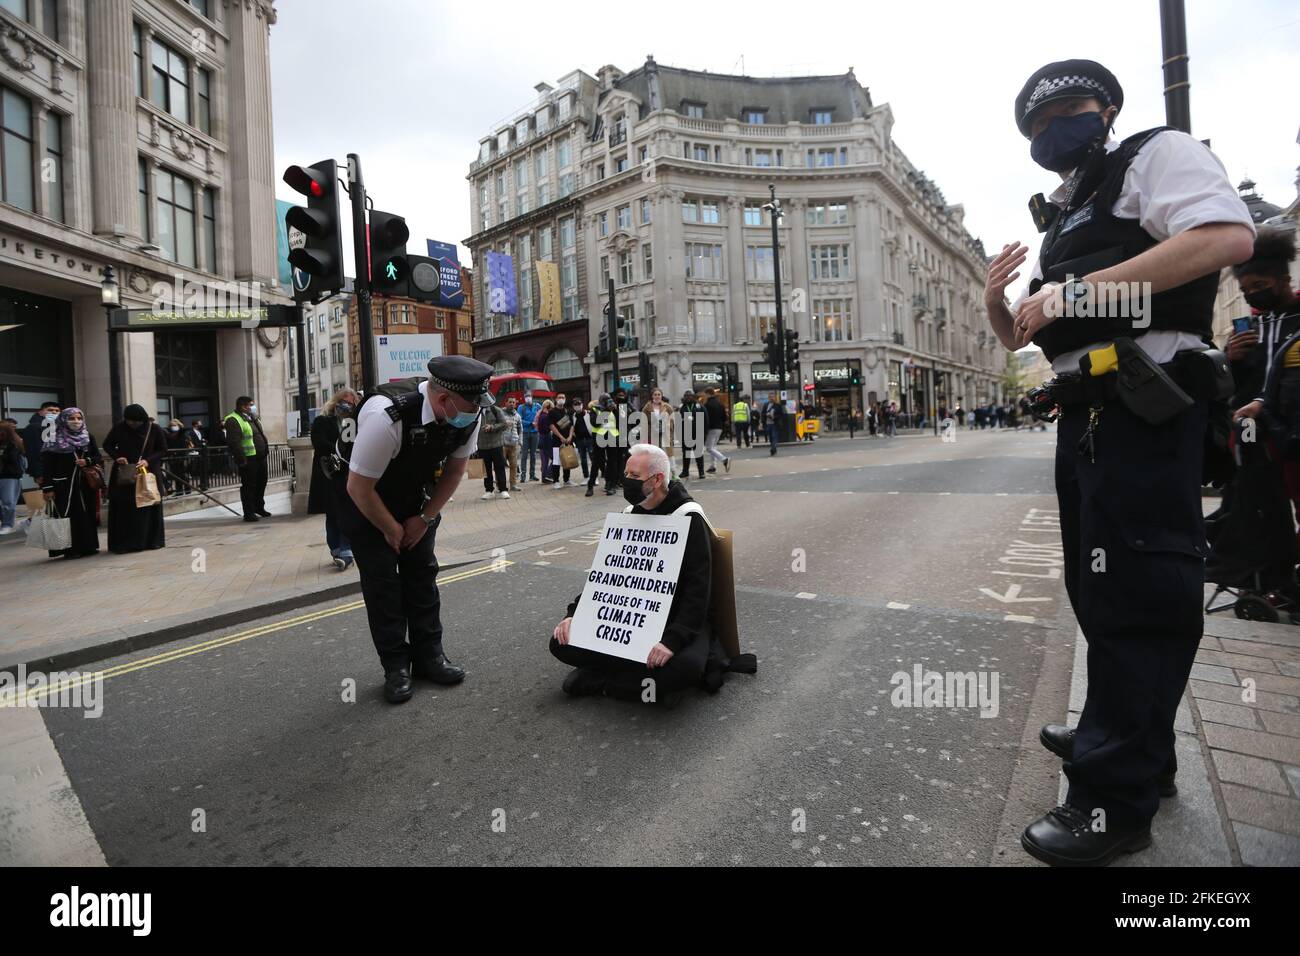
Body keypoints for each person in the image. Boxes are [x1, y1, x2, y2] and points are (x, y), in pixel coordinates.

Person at [988, 59, 1255, 866]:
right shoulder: (1070, 212)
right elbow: (1024, 337)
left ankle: (1111, 802)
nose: (1050, 133)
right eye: (1035, 126)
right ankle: (1129, 736)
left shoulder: (1155, 154)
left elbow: (1224, 236)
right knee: (1100, 594)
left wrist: (1074, 294)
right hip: (1089, 416)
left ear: (1106, 107)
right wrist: (996, 299)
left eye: (1065, 110)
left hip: (1144, 405)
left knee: (1139, 592)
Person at [338, 356, 492, 704]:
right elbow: (359, 488)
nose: (476, 412)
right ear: (442, 400)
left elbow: (454, 472)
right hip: (364, 500)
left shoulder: (468, 414)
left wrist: (424, 519)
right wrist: (391, 529)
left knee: (422, 577)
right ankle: (396, 667)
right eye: (470, 406)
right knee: (383, 586)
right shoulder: (386, 416)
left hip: (413, 498)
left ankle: (430, 657)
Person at [549, 443, 722, 703]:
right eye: (626, 474)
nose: (626, 482)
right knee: (560, 642)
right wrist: (575, 615)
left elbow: (699, 589)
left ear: (657, 479)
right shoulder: (629, 514)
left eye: (634, 477)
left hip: (674, 621)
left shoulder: (688, 517)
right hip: (629, 621)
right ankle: (632, 671)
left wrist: (672, 641)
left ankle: (605, 681)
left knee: (686, 668)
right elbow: (605, 575)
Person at [36, 408, 101, 558]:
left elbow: (97, 456)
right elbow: (47, 466)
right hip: (63, 486)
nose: (76, 421)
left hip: (85, 484)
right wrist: (48, 488)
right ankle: (70, 549)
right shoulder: (53, 438)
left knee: (86, 515)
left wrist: (87, 461)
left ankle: (89, 546)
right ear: (63, 419)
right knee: (68, 516)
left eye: (79, 418)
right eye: (71, 418)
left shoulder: (87, 436)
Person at [102, 404, 167, 554]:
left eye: (136, 421)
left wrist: (148, 460)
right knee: (125, 507)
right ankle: (126, 543)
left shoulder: (154, 429)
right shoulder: (119, 428)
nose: (132, 424)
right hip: (125, 474)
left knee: (147, 504)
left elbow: (162, 449)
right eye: (130, 421)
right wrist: (118, 457)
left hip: (147, 472)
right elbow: (108, 445)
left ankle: (150, 541)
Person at [310, 388, 358, 570]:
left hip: (347, 472)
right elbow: (319, 443)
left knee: (346, 511)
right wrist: (340, 449)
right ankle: (337, 550)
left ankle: (346, 550)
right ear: (336, 402)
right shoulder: (323, 420)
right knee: (332, 514)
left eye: (351, 402)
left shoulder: (353, 422)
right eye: (344, 401)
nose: (347, 405)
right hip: (328, 472)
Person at [224, 396, 270, 522]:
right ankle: (249, 512)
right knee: (249, 487)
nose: (252, 407)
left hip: (260, 457)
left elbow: (259, 434)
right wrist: (241, 460)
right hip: (248, 459)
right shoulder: (233, 419)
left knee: (261, 483)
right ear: (243, 406)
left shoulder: (252, 417)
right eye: (250, 405)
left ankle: (259, 507)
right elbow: (234, 442)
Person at [476, 394, 512, 499]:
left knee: (499, 467)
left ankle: (503, 489)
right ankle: (489, 490)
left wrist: (492, 427)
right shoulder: (475, 412)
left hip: (496, 444)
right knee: (486, 469)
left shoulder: (496, 410)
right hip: (482, 445)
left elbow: (504, 424)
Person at [21, 401, 59, 487]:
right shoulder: (34, 427)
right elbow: (33, 452)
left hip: (57, 468)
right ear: (41, 412)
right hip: (44, 471)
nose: (54, 412)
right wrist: (38, 473)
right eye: (50, 410)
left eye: (57, 411)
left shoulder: (54, 427)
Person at [0, 420, 24, 534]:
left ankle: (7, 524)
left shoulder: (13, 444)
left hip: (9, 476)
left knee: (8, 502)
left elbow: (12, 459)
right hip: (5, 475)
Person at [604, 388, 631, 490]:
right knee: (612, 461)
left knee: (622, 460)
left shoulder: (626, 407)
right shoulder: (610, 407)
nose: (621, 397)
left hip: (623, 437)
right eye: (619, 395)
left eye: (623, 395)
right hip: (611, 438)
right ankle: (610, 481)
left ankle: (620, 480)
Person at [548, 393, 576, 487]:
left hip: (568, 440)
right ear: (556, 399)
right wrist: (561, 437)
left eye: (563, 397)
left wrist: (570, 437)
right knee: (556, 461)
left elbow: (572, 425)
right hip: (557, 440)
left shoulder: (567, 411)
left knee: (567, 459)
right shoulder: (552, 412)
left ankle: (566, 480)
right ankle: (556, 481)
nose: (561, 399)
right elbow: (551, 426)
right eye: (559, 397)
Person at [677, 390, 705, 479]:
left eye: (690, 396)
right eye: (686, 396)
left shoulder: (699, 406)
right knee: (686, 454)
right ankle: (685, 471)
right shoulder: (682, 407)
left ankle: (701, 472)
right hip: (686, 434)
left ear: (693, 397)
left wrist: (705, 433)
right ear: (684, 397)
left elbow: (706, 419)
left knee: (699, 454)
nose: (688, 397)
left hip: (698, 433)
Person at [702, 388, 731, 472]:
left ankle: (724, 459)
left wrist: (705, 429)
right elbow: (725, 417)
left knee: (709, 448)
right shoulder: (720, 403)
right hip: (720, 428)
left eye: (705, 394)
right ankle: (713, 466)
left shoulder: (707, 404)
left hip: (711, 428)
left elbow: (706, 418)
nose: (704, 396)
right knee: (713, 447)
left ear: (708, 394)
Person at [162, 418, 189, 496]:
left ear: (178, 425)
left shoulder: (182, 433)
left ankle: (186, 489)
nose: (173, 427)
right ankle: (180, 490)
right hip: (172, 456)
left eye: (174, 425)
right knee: (176, 474)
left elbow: (184, 445)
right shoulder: (168, 434)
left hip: (181, 456)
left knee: (181, 474)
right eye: (171, 425)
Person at [500, 397, 522, 492]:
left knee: (514, 465)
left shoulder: (517, 415)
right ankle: (500, 485)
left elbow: (520, 429)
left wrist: (520, 441)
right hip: (502, 444)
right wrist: (504, 424)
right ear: (506, 403)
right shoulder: (500, 413)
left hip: (513, 444)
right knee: (500, 466)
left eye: (513, 402)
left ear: (515, 404)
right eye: (510, 402)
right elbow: (496, 426)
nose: (512, 404)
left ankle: (513, 485)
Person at [518, 391, 540, 482]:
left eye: (529, 396)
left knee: (533, 454)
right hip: (525, 433)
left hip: (535, 433)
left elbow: (541, 416)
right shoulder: (521, 407)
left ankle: (532, 475)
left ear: (532, 396)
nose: (528, 398)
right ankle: (523, 475)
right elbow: (519, 420)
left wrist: (538, 424)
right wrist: (530, 423)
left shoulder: (537, 406)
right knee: (524, 455)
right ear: (524, 398)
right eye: (526, 396)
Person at [571, 396, 592, 482]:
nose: (577, 406)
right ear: (573, 406)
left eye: (579, 404)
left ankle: (594, 477)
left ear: (582, 404)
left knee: (592, 458)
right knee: (583, 459)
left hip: (589, 439)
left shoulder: (588, 414)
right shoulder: (573, 416)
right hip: (579, 440)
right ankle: (586, 477)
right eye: (575, 404)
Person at [535, 399, 554, 484]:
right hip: (546, 438)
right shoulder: (545, 416)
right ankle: (548, 475)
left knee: (544, 460)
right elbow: (548, 428)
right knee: (555, 458)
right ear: (548, 407)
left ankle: (544, 478)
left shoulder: (540, 415)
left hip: (542, 438)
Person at [762, 391, 786, 456]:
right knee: (770, 438)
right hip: (768, 424)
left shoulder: (778, 405)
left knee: (774, 436)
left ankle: (773, 449)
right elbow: (762, 413)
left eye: (772, 397)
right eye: (770, 397)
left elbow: (781, 414)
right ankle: (774, 449)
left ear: (775, 398)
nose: (771, 398)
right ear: (768, 398)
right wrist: (766, 415)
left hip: (775, 424)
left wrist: (773, 417)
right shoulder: (766, 405)